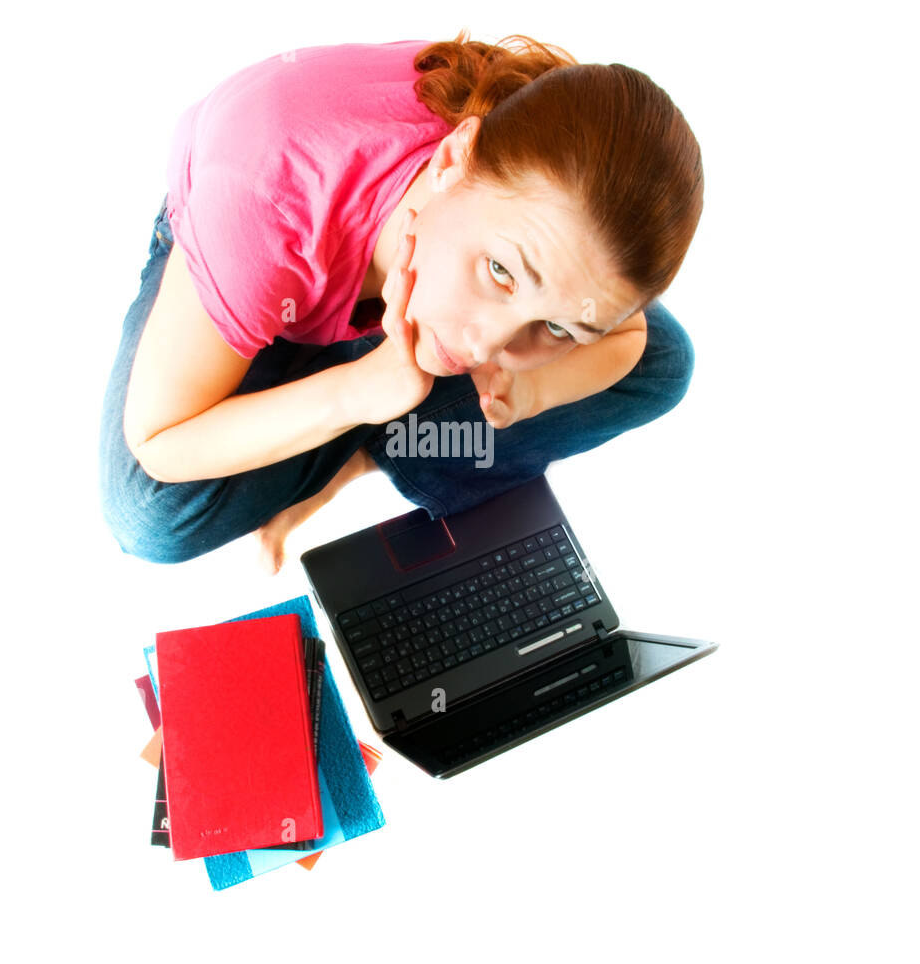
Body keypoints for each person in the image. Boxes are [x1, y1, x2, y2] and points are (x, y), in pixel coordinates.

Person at [98, 31, 703, 573]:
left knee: (662, 363)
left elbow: (627, 338)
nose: (488, 346)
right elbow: (159, 439)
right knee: (149, 516)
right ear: (451, 159)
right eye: (500, 271)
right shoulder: (266, 211)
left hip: (388, 265)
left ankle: (380, 449)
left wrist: (528, 392)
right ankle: (378, 428)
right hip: (269, 274)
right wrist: (355, 391)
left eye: (556, 327)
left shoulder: (539, 179)